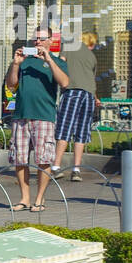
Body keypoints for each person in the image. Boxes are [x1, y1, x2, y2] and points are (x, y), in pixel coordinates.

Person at [4, 33, 69, 212]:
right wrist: (16, 63)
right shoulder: (24, 61)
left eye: (41, 39)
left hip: (44, 116)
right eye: (35, 39)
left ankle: (39, 199)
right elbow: (11, 85)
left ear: (50, 41)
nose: (37, 42)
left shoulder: (57, 61)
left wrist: (48, 59)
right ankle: (25, 198)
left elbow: (64, 82)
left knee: (44, 159)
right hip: (21, 115)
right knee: (19, 158)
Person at [51, 30, 101, 182]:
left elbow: (60, 64)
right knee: (82, 132)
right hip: (89, 96)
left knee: (64, 129)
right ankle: (76, 170)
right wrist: (96, 98)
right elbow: (91, 80)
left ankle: (56, 167)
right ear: (91, 43)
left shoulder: (70, 46)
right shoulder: (92, 57)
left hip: (72, 91)